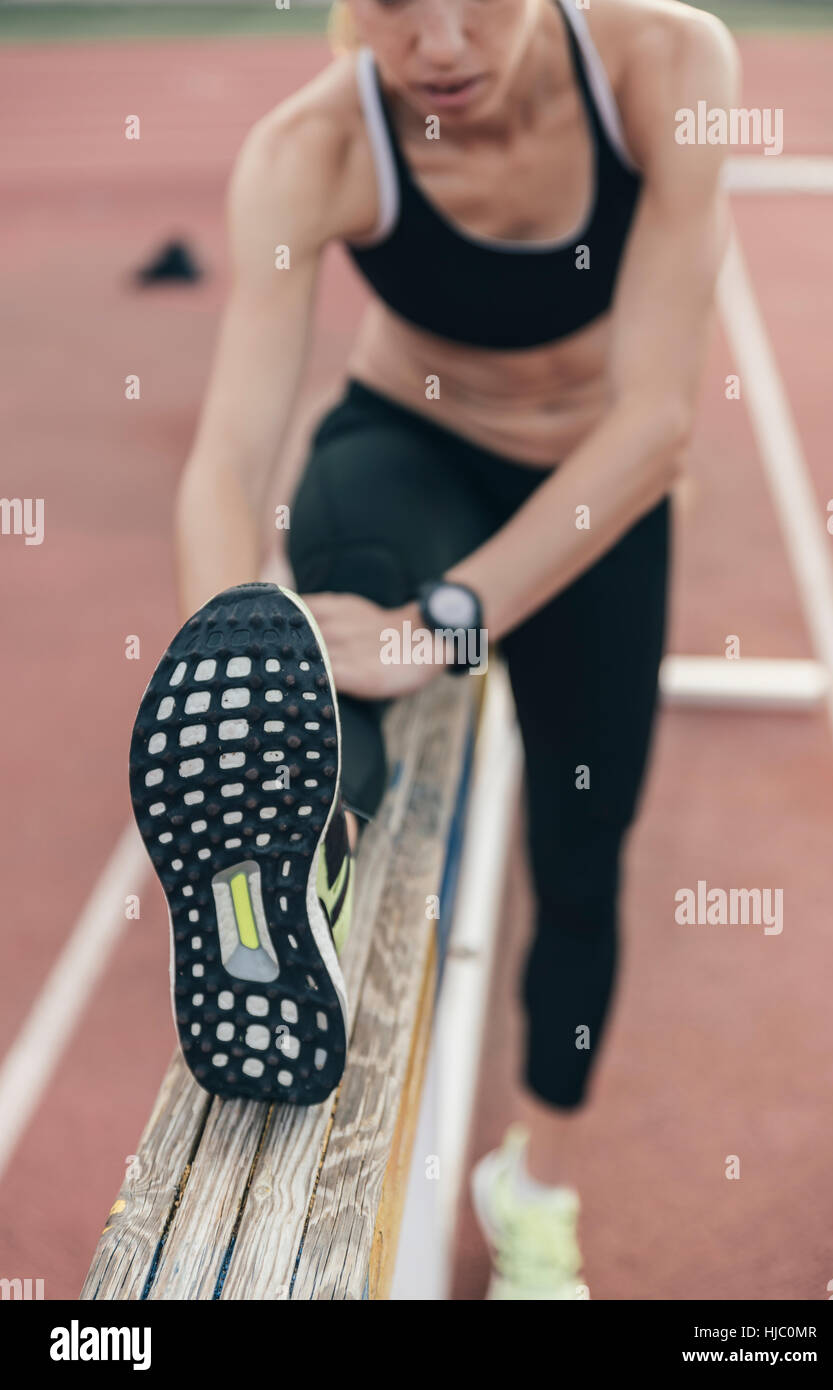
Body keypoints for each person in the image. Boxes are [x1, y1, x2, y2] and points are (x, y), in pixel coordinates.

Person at [130, 0, 738, 1298]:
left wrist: (444, 628)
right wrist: (227, 665)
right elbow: (229, 462)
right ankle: (298, 855)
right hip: (411, 440)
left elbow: (658, 424)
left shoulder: (670, 66)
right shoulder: (312, 150)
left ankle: (536, 1186)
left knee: (583, 854)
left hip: (597, 486)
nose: (443, 44)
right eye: (399, 4)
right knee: (333, 587)